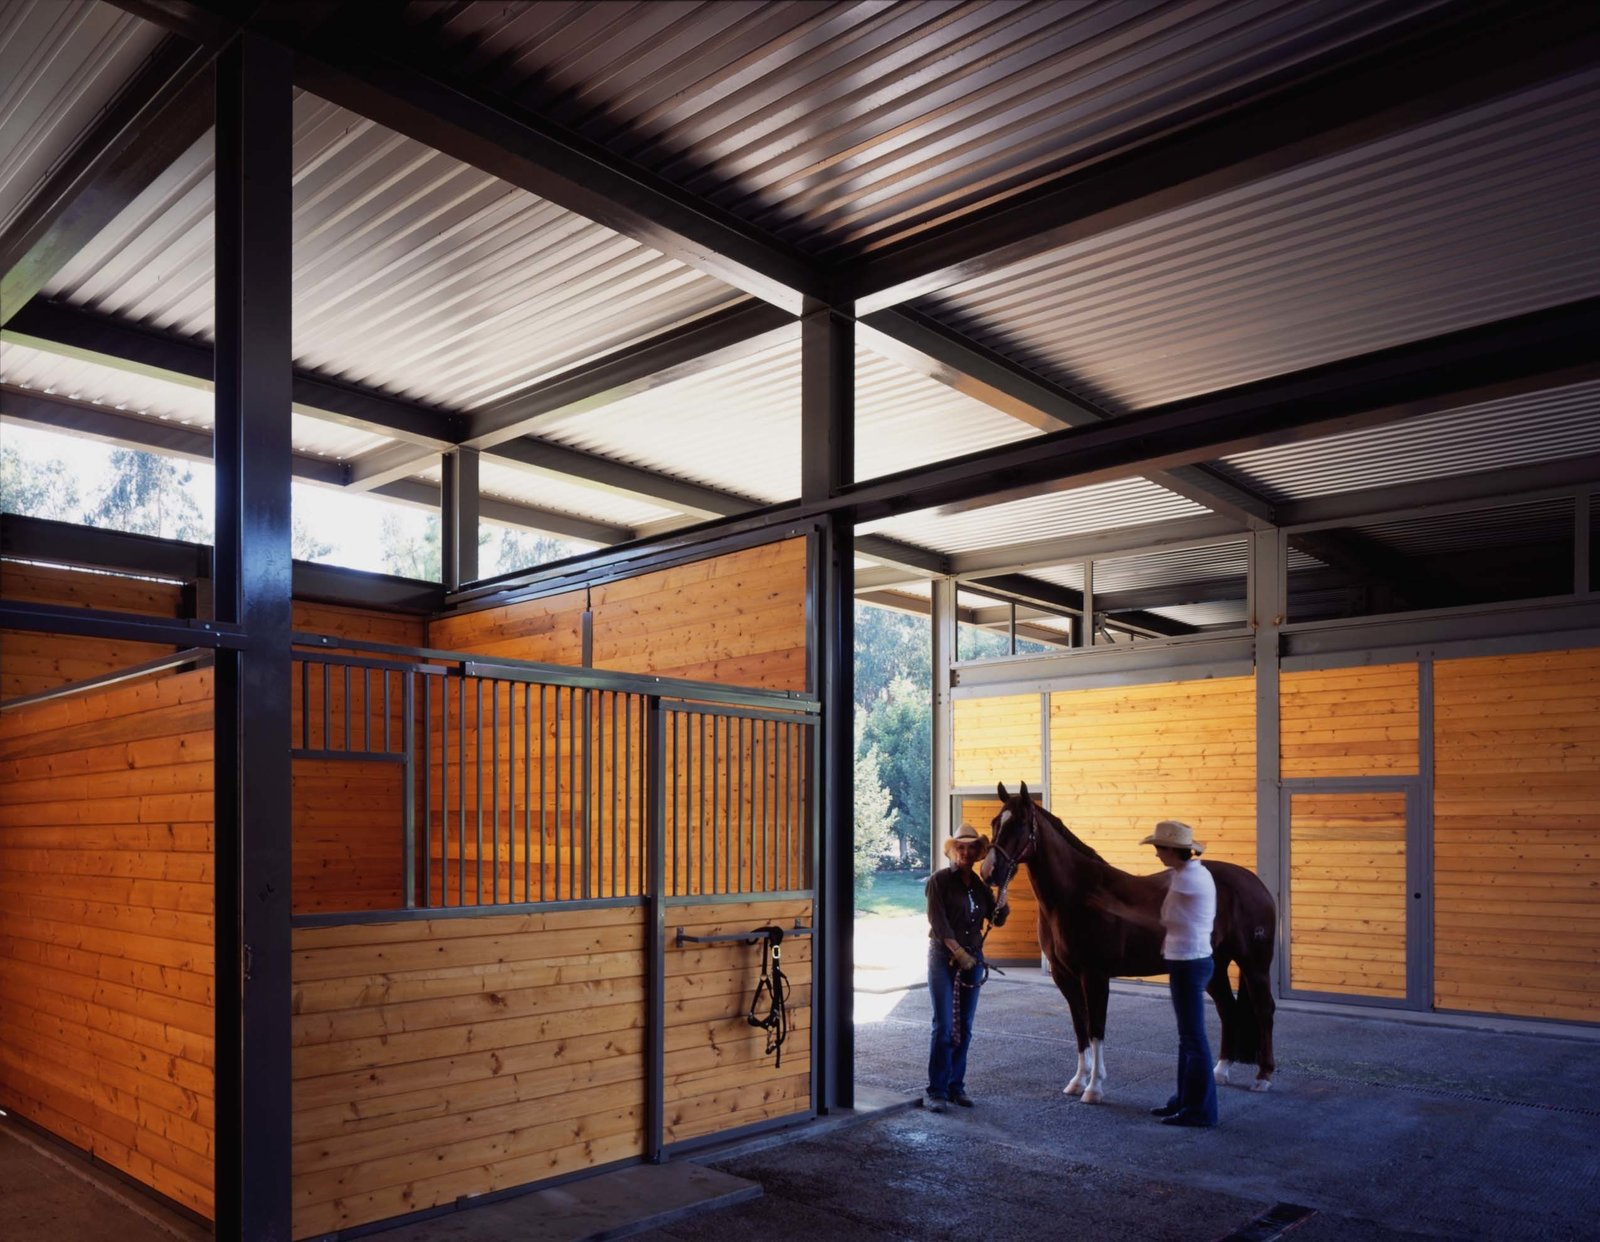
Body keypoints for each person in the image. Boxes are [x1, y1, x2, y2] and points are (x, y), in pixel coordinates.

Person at [924, 822, 1008, 1113]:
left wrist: (1003, 895)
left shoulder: (980, 886)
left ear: (977, 853)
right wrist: (958, 952)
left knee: (965, 1026)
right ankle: (936, 1091)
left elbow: (996, 919)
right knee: (945, 1026)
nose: (966, 852)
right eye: (961, 847)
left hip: (973, 958)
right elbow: (938, 922)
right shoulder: (939, 881)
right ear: (953, 850)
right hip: (943, 957)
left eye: (972, 848)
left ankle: (955, 1086)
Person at [1142, 819, 1219, 1128]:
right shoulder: (1190, 873)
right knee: (1187, 1038)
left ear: (1172, 850)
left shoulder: (1187, 879)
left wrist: (1117, 910)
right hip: (1188, 960)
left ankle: (1200, 1111)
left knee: (1193, 1039)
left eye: (1159, 849)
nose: (1156, 854)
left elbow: (1164, 919)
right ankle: (1185, 1100)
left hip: (1188, 962)